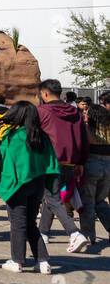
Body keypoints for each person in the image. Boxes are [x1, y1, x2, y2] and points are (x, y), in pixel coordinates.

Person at [0, 101, 59, 274]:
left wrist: (4, 186)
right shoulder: (41, 136)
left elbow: (7, 162)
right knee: (30, 223)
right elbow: (51, 162)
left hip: (18, 185)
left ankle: (17, 261)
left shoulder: (14, 136)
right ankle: (43, 261)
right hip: (37, 184)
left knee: (17, 224)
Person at [36, 79, 91, 253]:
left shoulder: (42, 111)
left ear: (44, 93)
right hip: (71, 160)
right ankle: (43, 232)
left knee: (52, 197)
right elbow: (83, 138)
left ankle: (74, 233)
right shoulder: (75, 112)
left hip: (49, 161)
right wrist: (81, 161)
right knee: (51, 196)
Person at [76, 105, 110, 245]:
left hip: (91, 165)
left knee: (88, 202)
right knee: (101, 201)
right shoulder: (107, 130)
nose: (85, 114)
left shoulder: (86, 129)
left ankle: (88, 234)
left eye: (87, 113)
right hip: (108, 165)